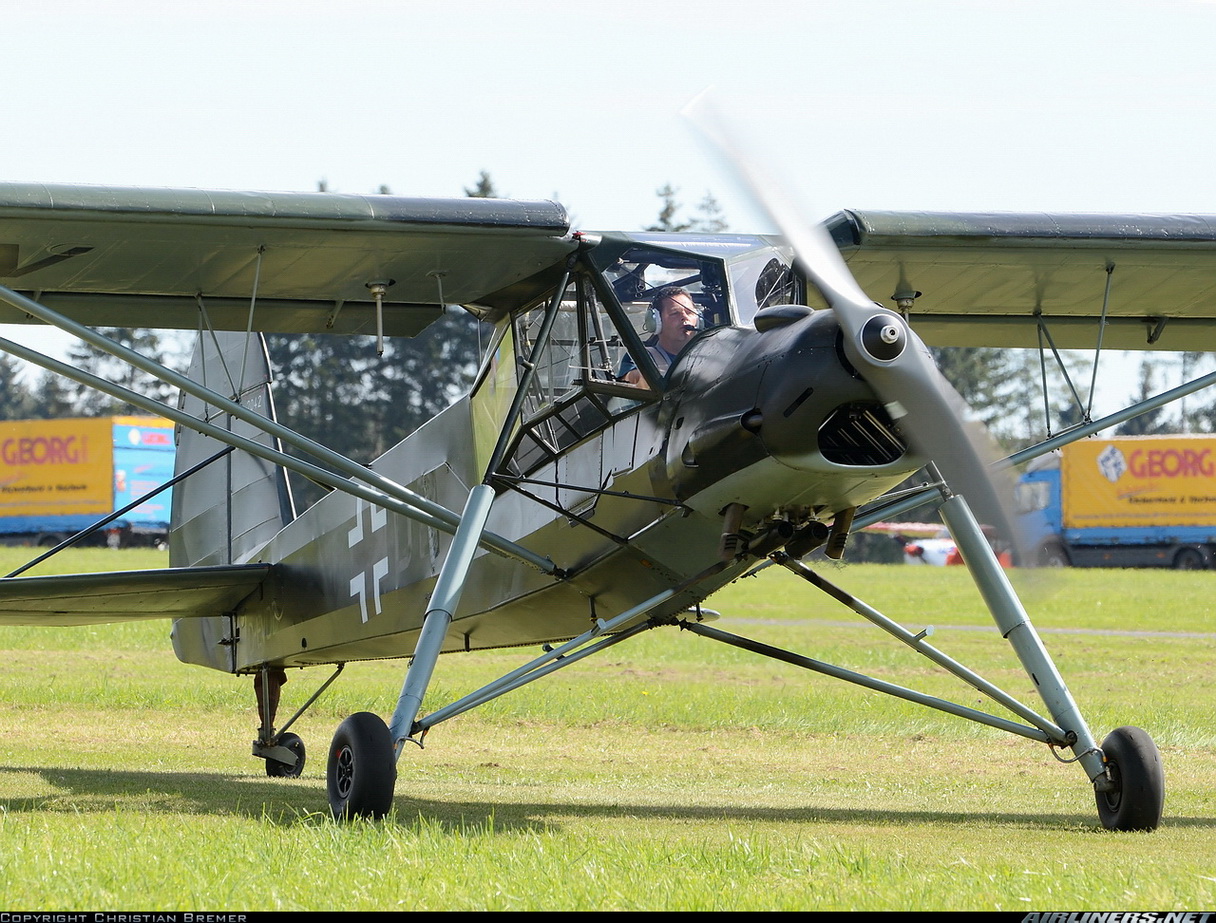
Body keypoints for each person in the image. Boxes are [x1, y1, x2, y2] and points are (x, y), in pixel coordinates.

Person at [618, 286, 700, 385]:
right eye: (675, 313)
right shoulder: (642, 358)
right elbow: (630, 386)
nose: (684, 317)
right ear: (656, 322)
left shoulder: (711, 355)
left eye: (689, 312)